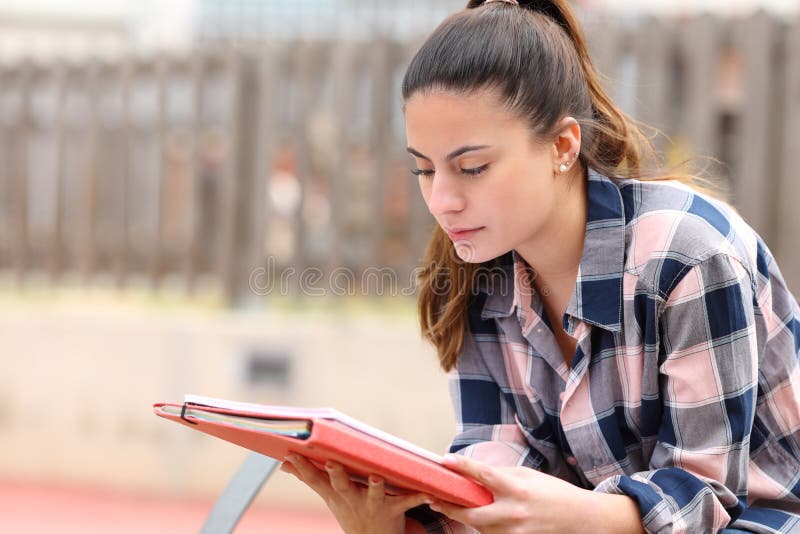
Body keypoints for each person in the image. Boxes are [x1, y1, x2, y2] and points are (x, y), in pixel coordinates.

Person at [280, 0, 800, 532]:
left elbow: (707, 500)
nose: (441, 200)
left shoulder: (685, 254)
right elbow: (494, 480)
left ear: (562, 145)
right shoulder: (474, 276)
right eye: (424, 169)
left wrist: (574, 512)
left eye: (472, 168)